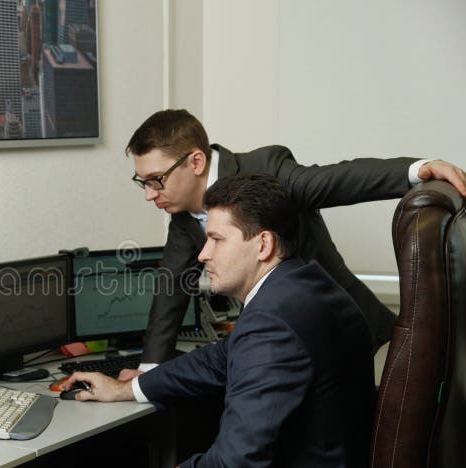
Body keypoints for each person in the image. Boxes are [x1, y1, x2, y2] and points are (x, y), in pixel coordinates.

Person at [62, 174, 376, 468]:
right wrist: (127, 388)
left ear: (263, 245)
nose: (202, 254)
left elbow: (237, 467)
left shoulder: (272, 322)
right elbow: (219, 358)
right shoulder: (303, 286)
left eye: (216, 239)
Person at [126, 109, 466, 370]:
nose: (149, 195)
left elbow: (338, 180)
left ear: (196, 162)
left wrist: (418, 169)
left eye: (156, 180)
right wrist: (148, 371)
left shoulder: (265, 169)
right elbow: (171, 287)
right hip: (279, 347)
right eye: (143, 183)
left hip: (351, 336)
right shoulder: (182, 214)